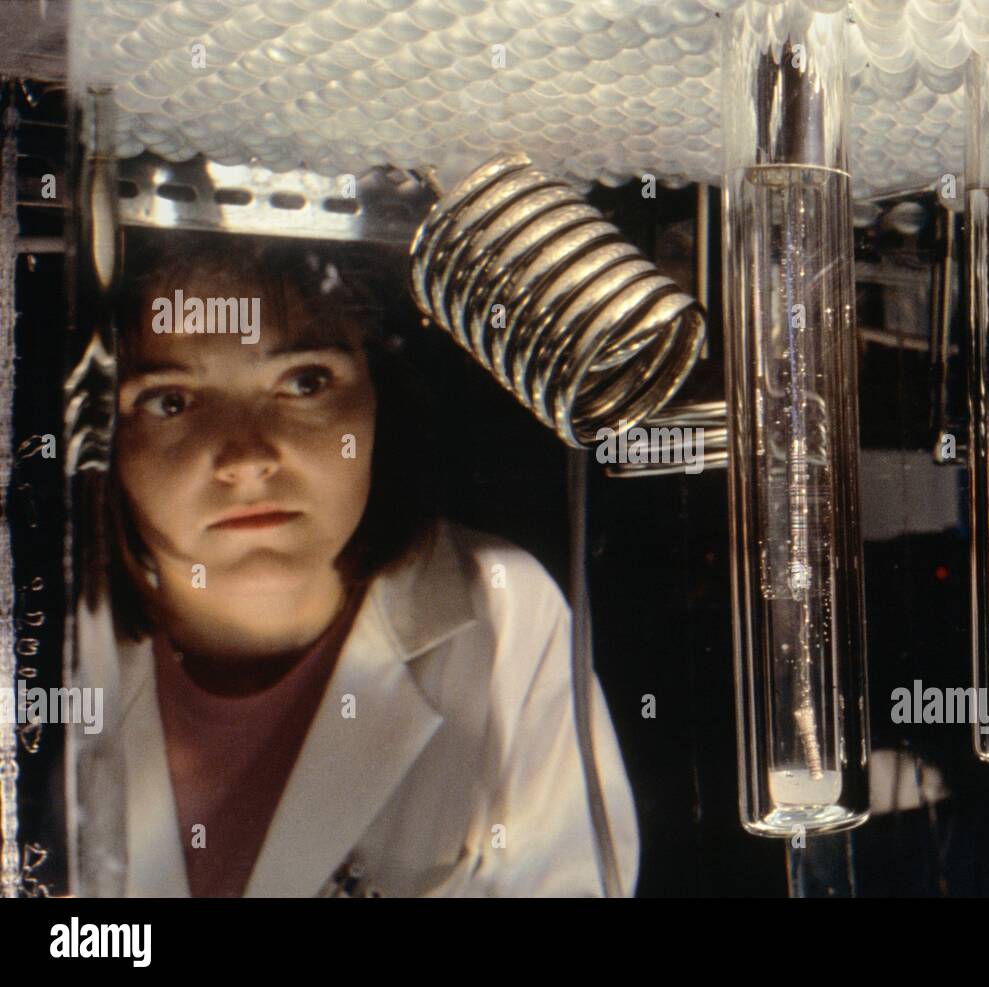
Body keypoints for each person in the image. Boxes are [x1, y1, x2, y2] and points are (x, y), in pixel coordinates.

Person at [77, 232, 638, 897]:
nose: (247, 458)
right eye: (171, 401)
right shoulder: (36, 645)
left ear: (378, 395)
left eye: (303, 381)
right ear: (104, 437)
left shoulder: (503, 608)